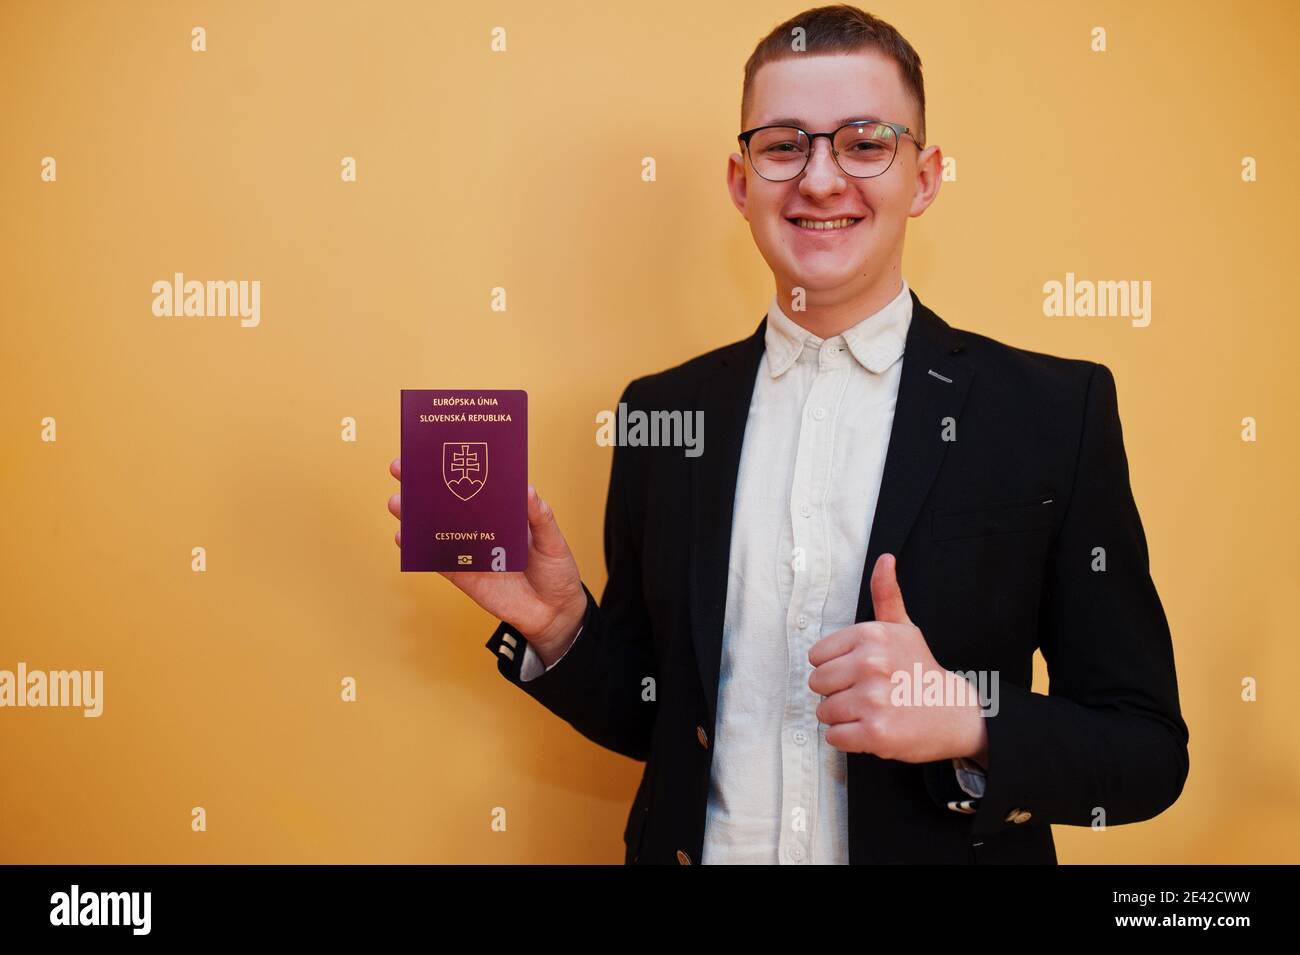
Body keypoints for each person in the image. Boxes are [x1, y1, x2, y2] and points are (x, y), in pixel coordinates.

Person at [387, 4, 1188, 864]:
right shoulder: (661, 411)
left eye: (866, 140)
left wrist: (965, 717)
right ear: (741, 183)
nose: (819, 179)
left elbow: (1145, 751)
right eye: (782, 144)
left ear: (924, 177)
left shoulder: (1053, 412)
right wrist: (559, 625)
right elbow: (664, 722)